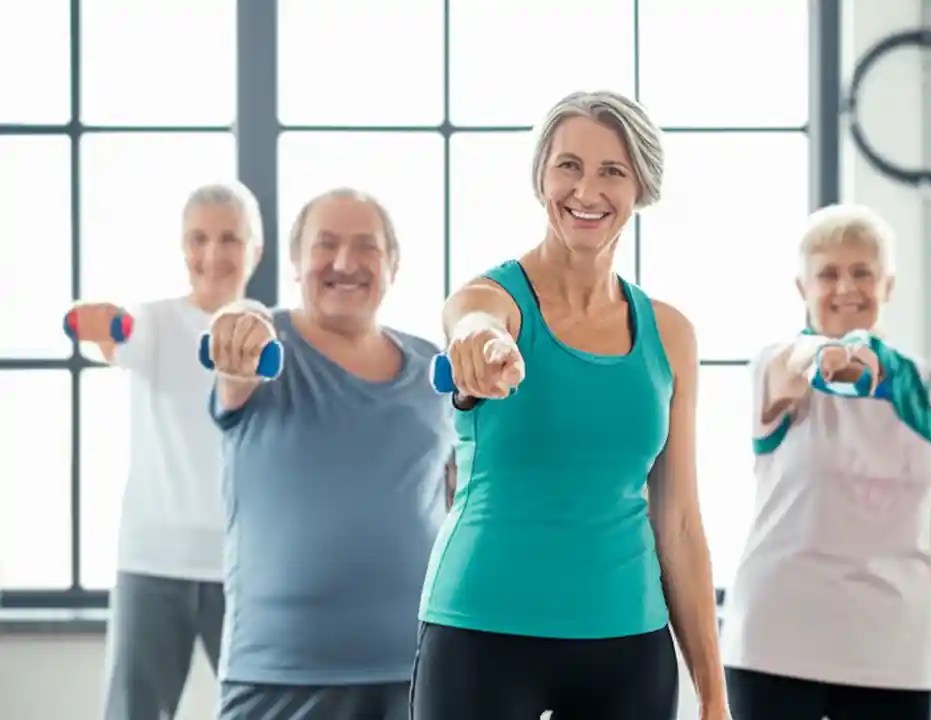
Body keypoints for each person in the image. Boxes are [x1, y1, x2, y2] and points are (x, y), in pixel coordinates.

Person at [409, 90, 729, 720]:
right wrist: (482, 342)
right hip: (482, 629)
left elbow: (681, 523)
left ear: (641, 188)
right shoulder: (491, 296)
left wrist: (714, 696)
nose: (587, 190)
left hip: (627, 642)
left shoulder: (670, 334)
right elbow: (471, 319)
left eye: (613, 171)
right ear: (541, 178)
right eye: (569, 166)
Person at [718, 204, 931, 720]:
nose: (846, 288)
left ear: (888, 285)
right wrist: (825, 356)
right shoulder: (779, 365)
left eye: (862, 272)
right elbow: (794, 368)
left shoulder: (917, 384)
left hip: (894, 651)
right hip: (778, 643)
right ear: (803, 289)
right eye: (828, 274)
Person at [204, 188, 455, 720]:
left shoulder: (432, 367)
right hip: (278, 679)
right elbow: (236, 347)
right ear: (295, 262)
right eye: (326, 245)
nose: (345, 263)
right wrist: (241, 319)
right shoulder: (264, 350)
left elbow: (455, 500)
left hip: (416, 674)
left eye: (366, 246)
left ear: (393, 264)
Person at [66, 182, 263, 720]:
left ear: (256, 249)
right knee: (134, 712)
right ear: (182, 247)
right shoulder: (152, 322)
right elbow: (114, 336)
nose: (213, 254)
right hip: (152, 560)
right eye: (198, 238)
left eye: (229, 238)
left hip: (245, 564)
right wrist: (101, 321)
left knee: (265, 709)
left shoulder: (270, 334)